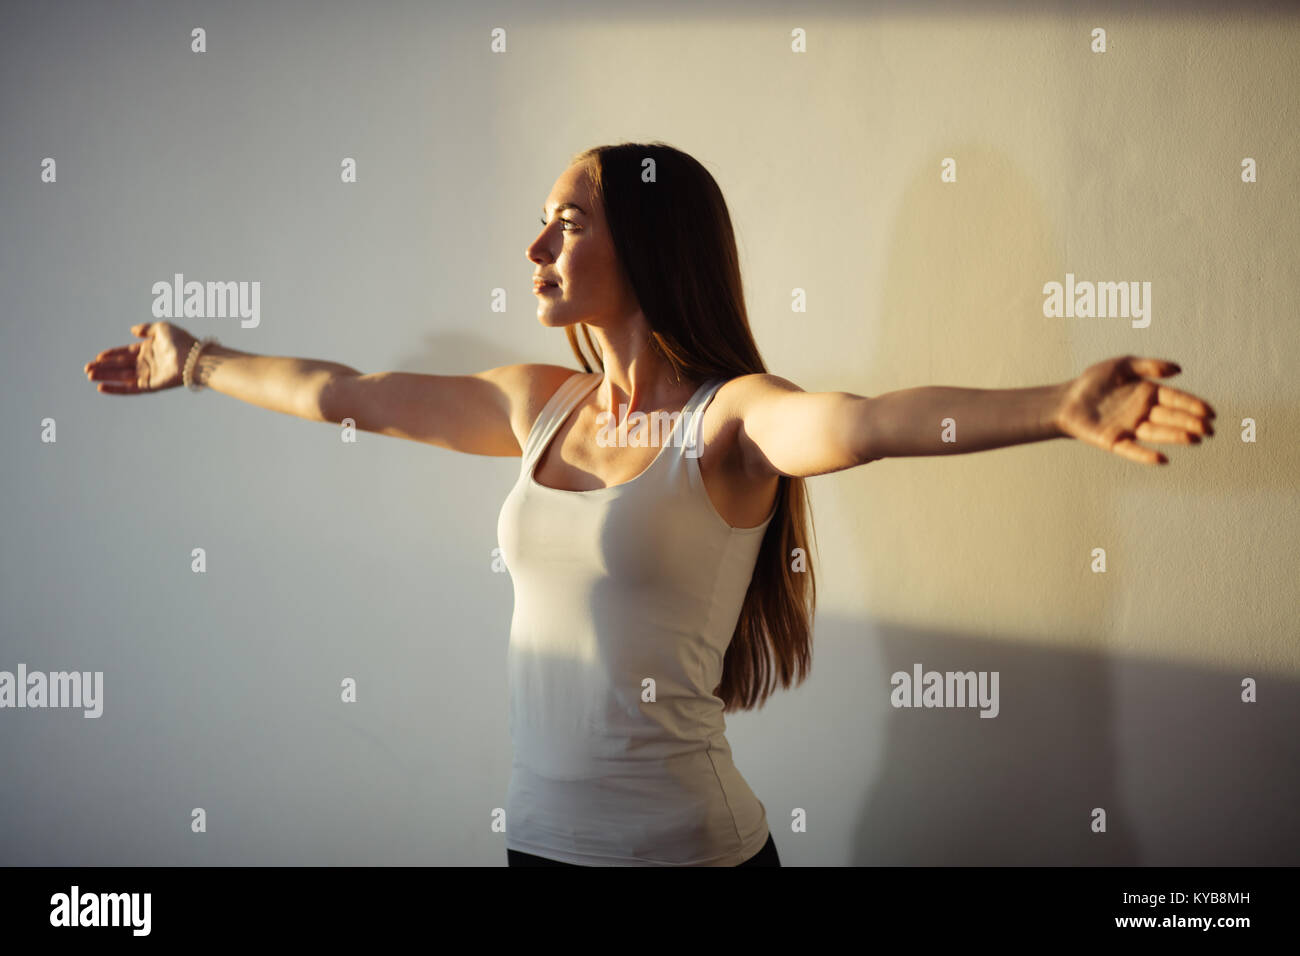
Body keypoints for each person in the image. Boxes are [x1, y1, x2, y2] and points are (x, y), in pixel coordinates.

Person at [83, 141, 1216, 866]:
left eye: (567, 222)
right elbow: (353, 397)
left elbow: (865, 423)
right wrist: (198, 360)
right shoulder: (538, 405)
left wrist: (1055, 404)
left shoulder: (729, 422)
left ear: (646, 242)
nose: (534, 247)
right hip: (535, 846)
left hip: (689, 857)